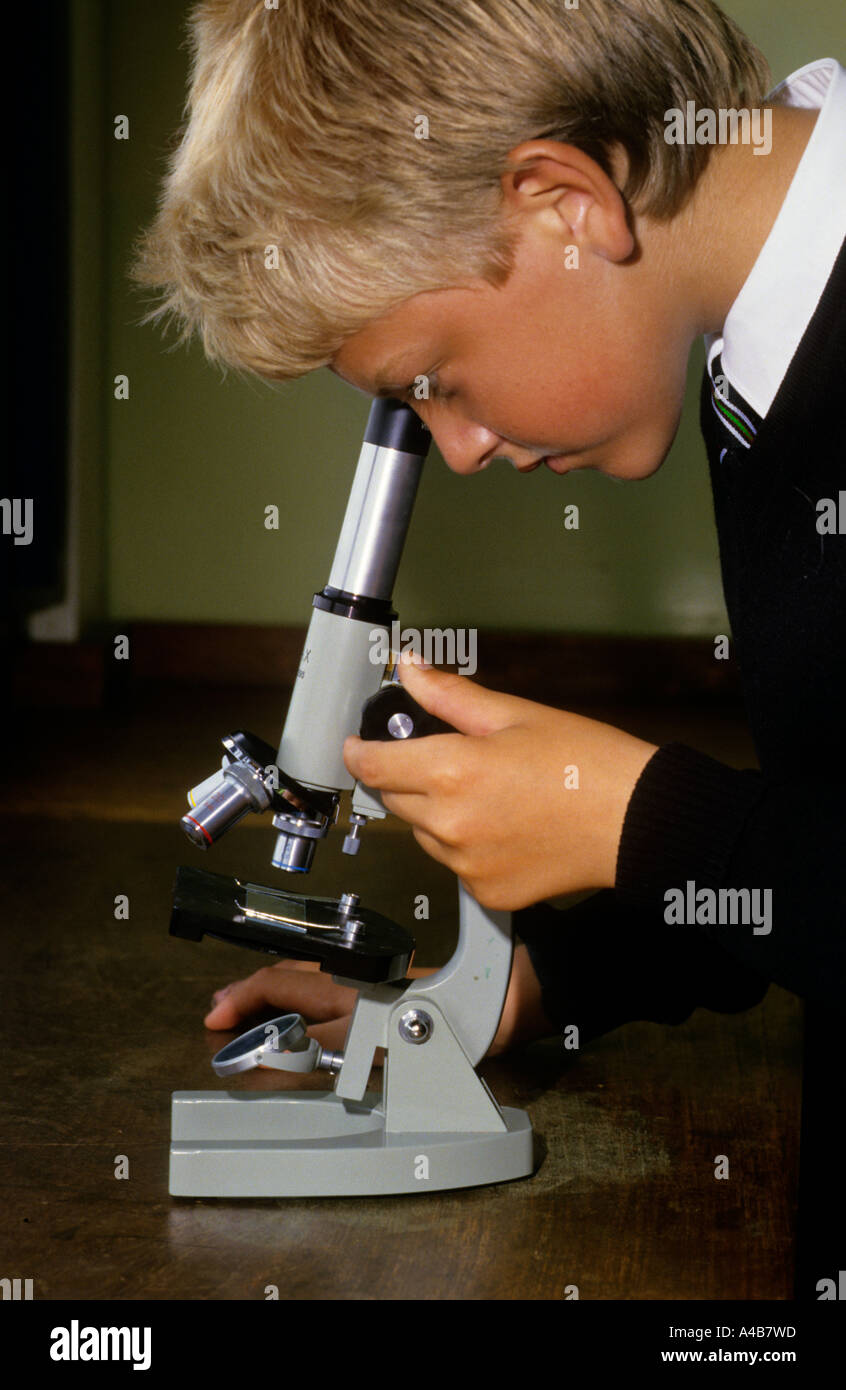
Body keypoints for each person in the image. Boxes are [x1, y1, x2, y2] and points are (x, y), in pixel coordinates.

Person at [132, 1, 845, 1293]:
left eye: (436, 380)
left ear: (565, 203)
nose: (457, 449)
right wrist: (528, 982)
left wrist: (637, 818)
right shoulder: (759, 360)